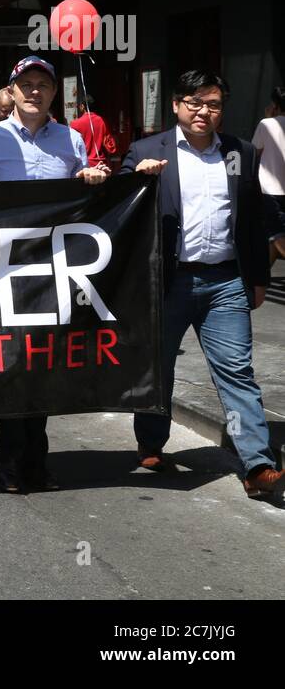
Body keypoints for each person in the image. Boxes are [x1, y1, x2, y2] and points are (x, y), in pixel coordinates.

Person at [121, 70, 282, 501]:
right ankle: (151, 445)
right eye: (194, 102)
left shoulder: (241, 152)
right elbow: (118, 211)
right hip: (168, 281)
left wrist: (258, 279)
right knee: (161, 369)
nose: (203, 112)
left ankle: (258, 464)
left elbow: (253, 222)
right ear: (175, 105)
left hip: (225, 280)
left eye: (212, 104)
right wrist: (139, 178)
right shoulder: (145, 151)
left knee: (237, 372)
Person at [0, 56, 108, 494]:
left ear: (54, 92)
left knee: (42, 365)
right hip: (3, 272)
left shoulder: (72, 140)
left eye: (43, 84)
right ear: (12, 90)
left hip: (53, 273)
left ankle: (36, 460)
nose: (34, 91)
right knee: (12, 363)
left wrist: (91, 180)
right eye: (27, 84)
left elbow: (79, 196)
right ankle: (10, 461)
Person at [252, 86, 285, 265]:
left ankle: (262, 275)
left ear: (274, 105)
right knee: (272, 235)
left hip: (269, 189)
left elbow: (255, 151)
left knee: (275, 233)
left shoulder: (266, 124)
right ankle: (264, 274)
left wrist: (268, 118)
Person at [70, 94, 117, 168]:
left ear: (82, 106)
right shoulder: (102, 121)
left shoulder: (75, 124)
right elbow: (110, 146)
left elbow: (72, 148)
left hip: (83, 166)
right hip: (100, 165)